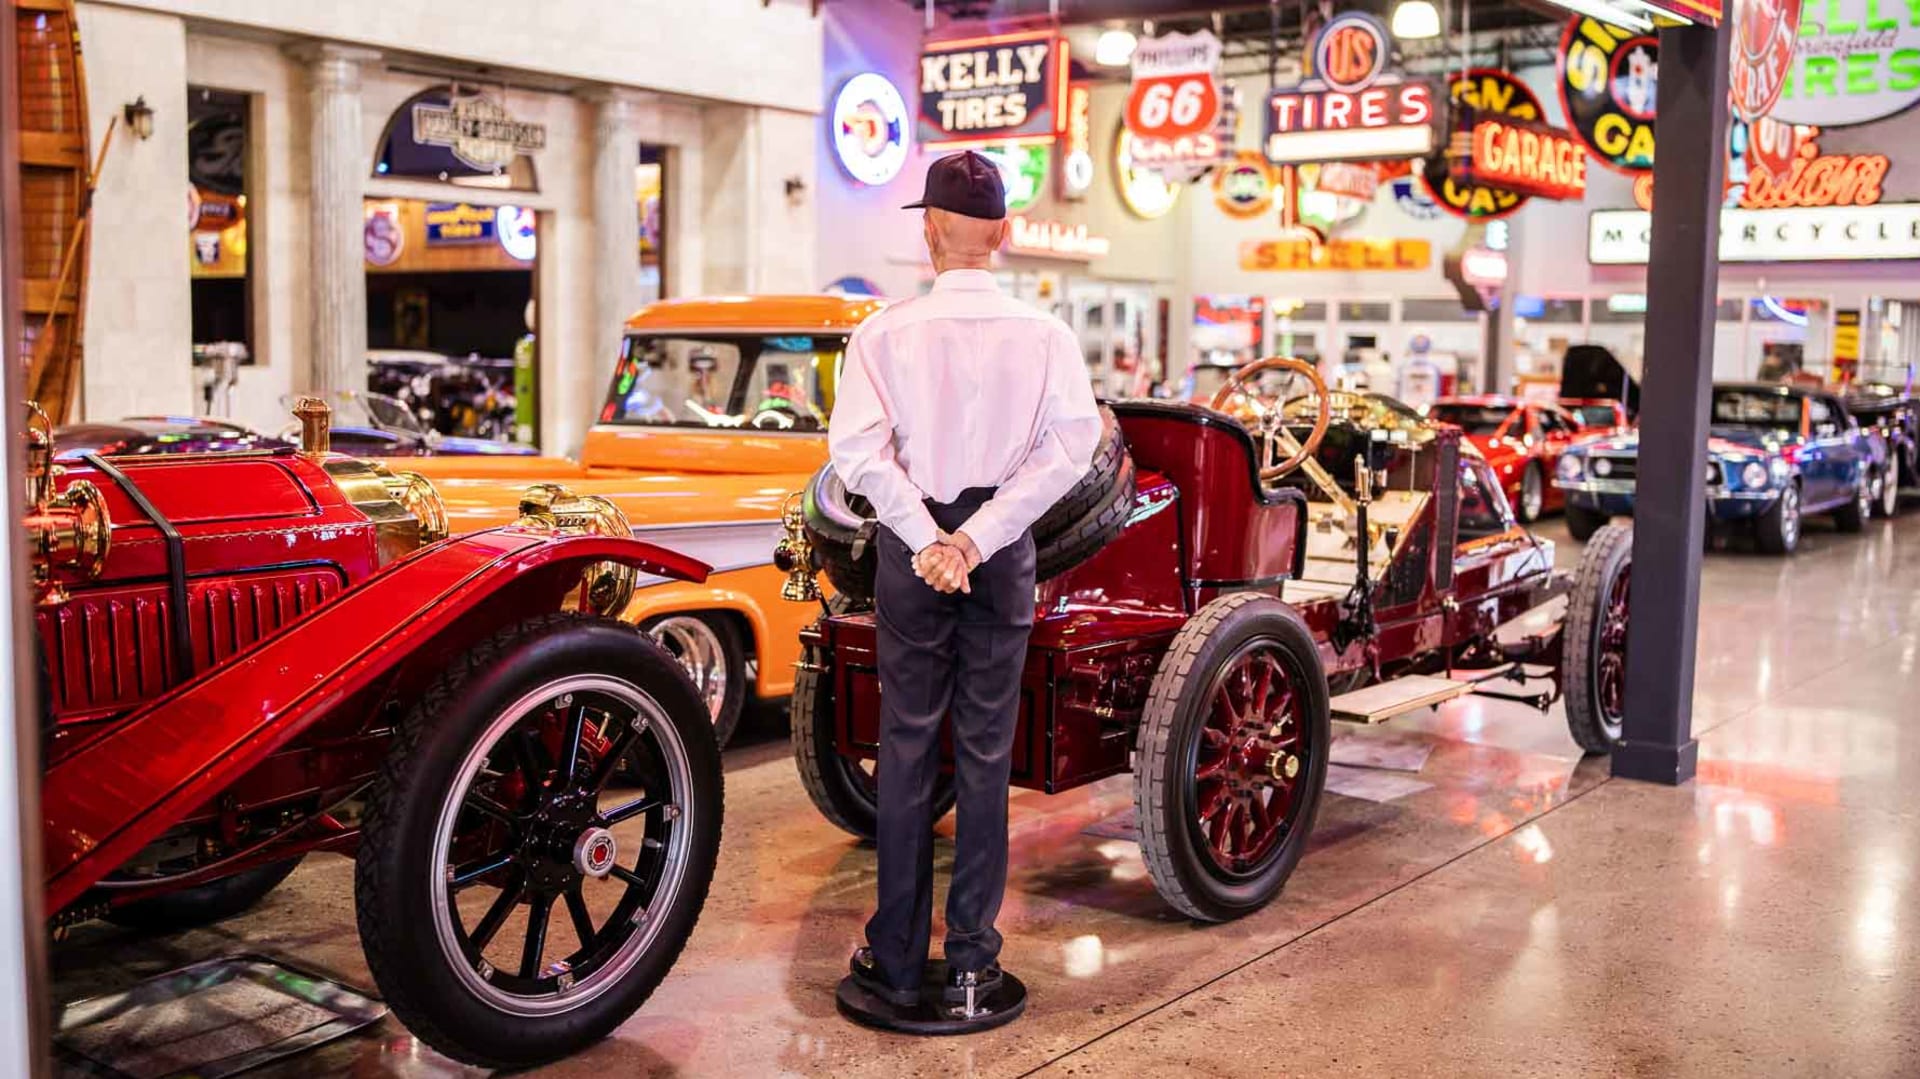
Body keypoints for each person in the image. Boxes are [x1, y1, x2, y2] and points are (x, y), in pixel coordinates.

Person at [828, 151, 1102, 1011]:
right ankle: (977, 958)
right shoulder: (1048, 336)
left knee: (906, 747)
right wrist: (979, 539)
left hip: (914, 558)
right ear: (1007, 235)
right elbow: (1072, 451)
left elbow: (856, 454)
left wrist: (930, 540)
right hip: (1003, 553)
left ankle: (897, 956)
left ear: (929, 231)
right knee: (985, 754)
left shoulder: (883, 333)